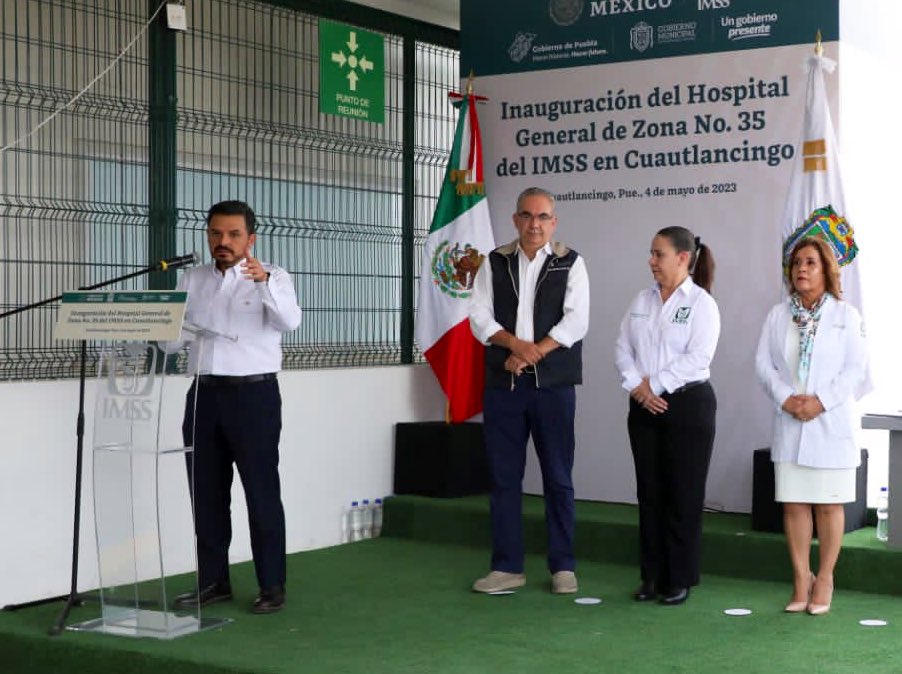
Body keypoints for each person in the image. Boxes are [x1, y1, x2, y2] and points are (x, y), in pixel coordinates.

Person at [170, 200, 301, 614]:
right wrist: (152, 324)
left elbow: (289, 322)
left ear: (251, 238)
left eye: (232, 235)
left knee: (261, 491)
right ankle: (213, 581)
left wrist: (263, 283)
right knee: (205, 492)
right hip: (204, 395)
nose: (222, 242)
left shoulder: (274, 276)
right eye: (215, 234)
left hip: (253, 397)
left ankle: (272, 585)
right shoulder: (191, 279)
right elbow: (170, 342)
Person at [467, 186, 590, 594]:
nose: (534, 224)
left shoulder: (571, 263)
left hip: (553, 388)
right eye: (527, 215)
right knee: (504, 478)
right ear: (516, 219)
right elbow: (478, 316)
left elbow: (576, 322)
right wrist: (515, 346)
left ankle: (563, 566)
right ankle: (507, 567)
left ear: (553, 223)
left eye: (542, 217)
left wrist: (533, 352)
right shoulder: (495, 262)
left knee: (558, 477)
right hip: (504, 387)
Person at [755, 236, 869, 615]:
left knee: (828, 506)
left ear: (826, 271)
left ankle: (826, 577)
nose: (801, 269)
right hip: (790, 420)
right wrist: (787, 398)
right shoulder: (778, 314)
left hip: (830, 422)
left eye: (810, 263)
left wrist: (820, 401)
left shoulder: (846, 316)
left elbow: (855, 369)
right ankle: (801, 578)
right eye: (796, 263)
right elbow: (764, 366)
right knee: (794, 505)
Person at [615, 227, 719, 606]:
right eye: (651, 253)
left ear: (682, 258)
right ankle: (652, 575)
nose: (651, 261)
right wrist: (637, 387)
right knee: (650, 493)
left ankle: (679, 578)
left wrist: (653, 385)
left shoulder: (702, 304)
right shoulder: (641, 300)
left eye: (658, 254)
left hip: (687, 406)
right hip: (644, 406)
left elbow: (698, 357)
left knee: (683, 493)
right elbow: (622, 347)